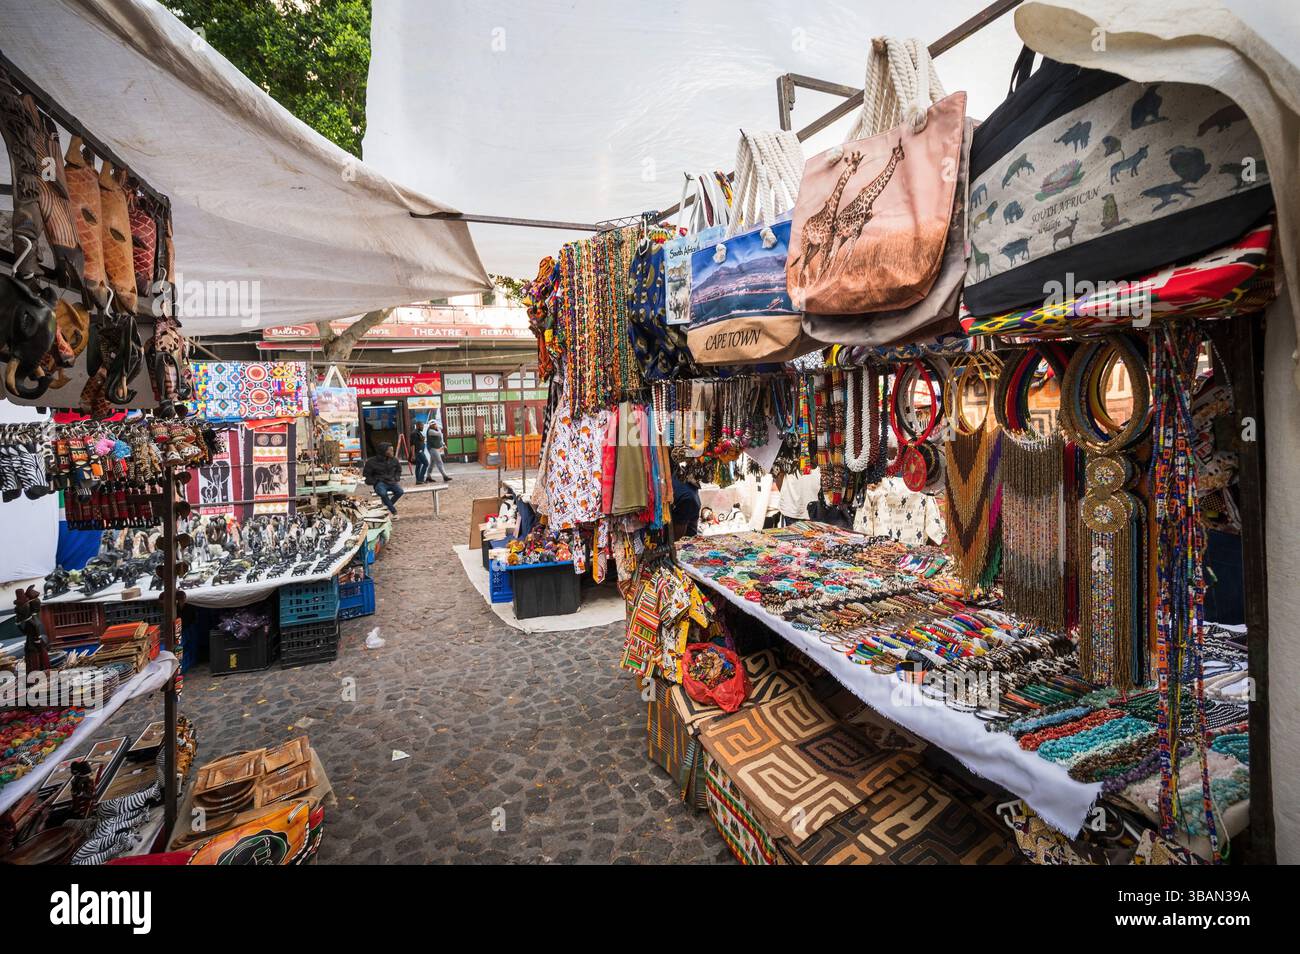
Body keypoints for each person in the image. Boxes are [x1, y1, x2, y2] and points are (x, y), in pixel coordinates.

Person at [363, 442, 405, 517]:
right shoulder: (371, 462)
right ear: (384, 451)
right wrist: (375, 482)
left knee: (400, 491)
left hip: (391, 481)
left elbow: (399, 470)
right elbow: (366, 476)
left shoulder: (394, 460)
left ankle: (385, 507)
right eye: (390, 450)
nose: (393, 451)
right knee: (382, 493)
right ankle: (394, 512)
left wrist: (396, 478)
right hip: (380, 482)